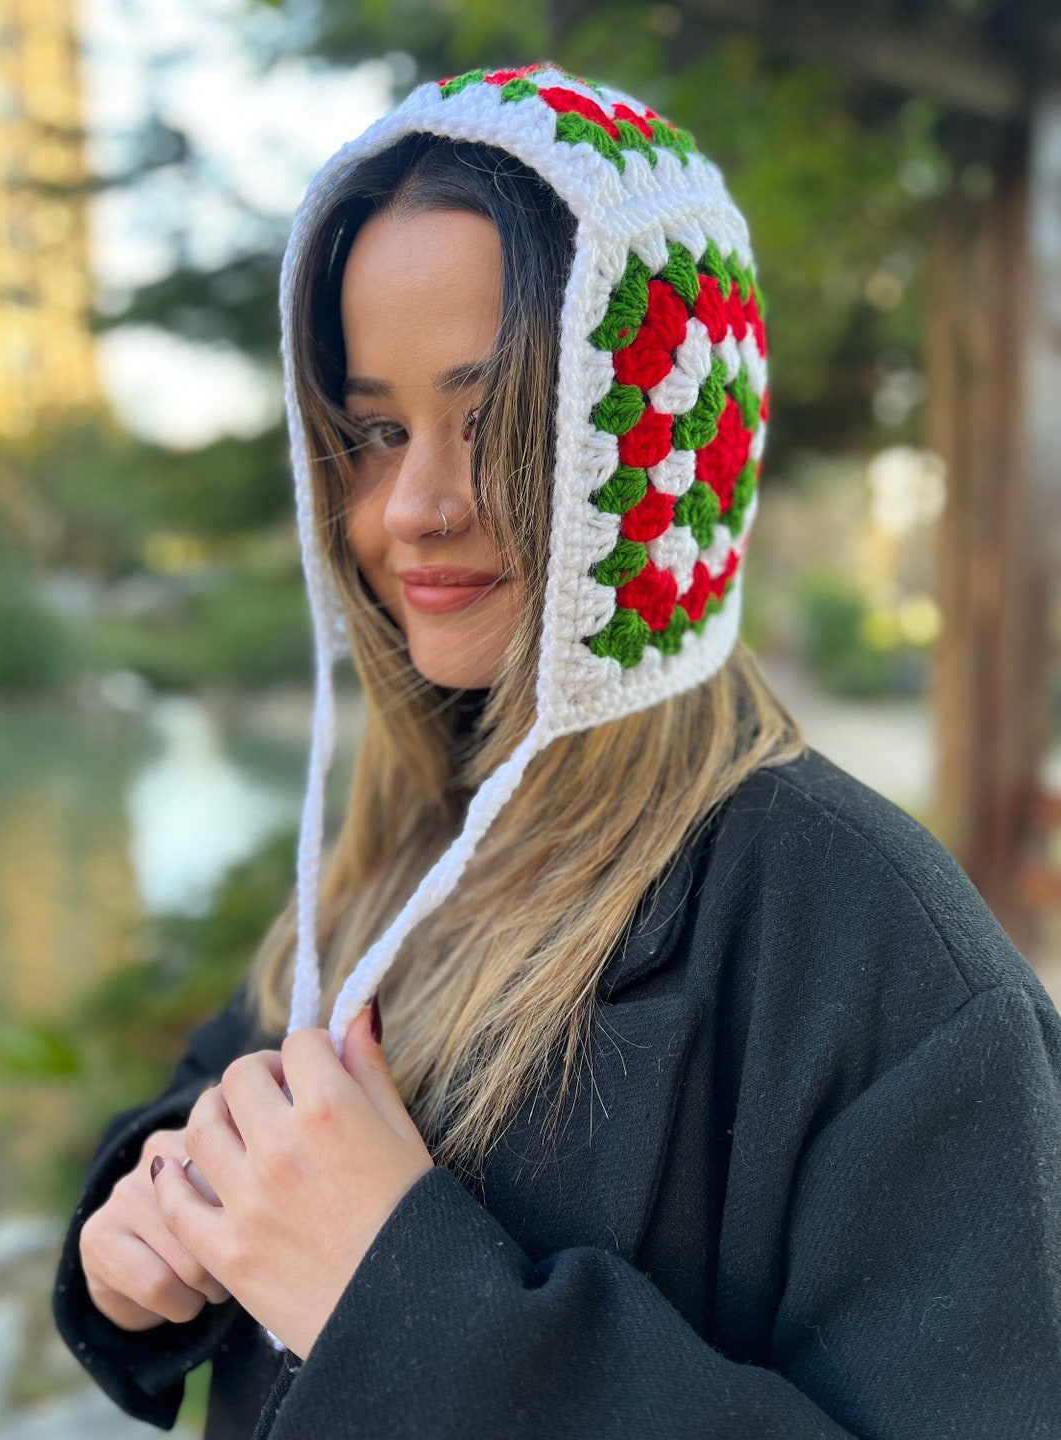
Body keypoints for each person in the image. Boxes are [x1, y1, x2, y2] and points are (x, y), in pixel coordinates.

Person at [52, 62, 1061, 1440]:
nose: (414, 505)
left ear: (656, 458)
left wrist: (393, 1290)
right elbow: (219, 1091)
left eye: (498, 419)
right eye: (373, 430)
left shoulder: (884, 961)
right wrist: (147, 1226)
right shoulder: (395, 855)